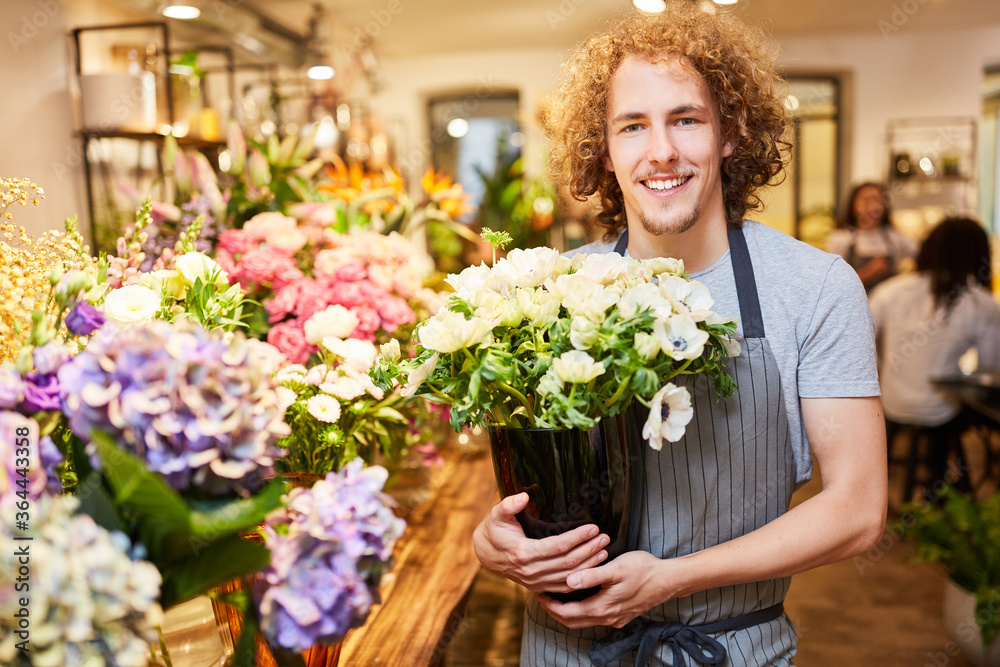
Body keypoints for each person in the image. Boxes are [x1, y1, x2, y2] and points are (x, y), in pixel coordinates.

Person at [472, 6, 888, 666]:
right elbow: (513, 489)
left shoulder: (814, 287)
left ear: (730, 133)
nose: (661, 149)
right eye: (632, 126)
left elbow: (858, 507)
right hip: (564, 650)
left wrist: (671, 578)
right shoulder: (549, 292)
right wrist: (494, 543)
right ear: (604, 150)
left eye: (686, 119)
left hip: (728, 648)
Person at [869, 217, 1000, 492]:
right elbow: (990, 367)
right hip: (939, 411)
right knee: (963, 410)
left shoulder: (891, 290)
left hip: (891, 402)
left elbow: (858, 340)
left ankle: (901, 484)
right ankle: (941, 488)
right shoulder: (981, 305)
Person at [825, 182, 918, 292]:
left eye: (878, 199)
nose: (873, 205)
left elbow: (923, 254)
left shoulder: (895, 237)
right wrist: (867, 273)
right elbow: (833, 282)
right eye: (867, 200)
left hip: (889, 306)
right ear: (853, 205)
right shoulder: (841, 238)